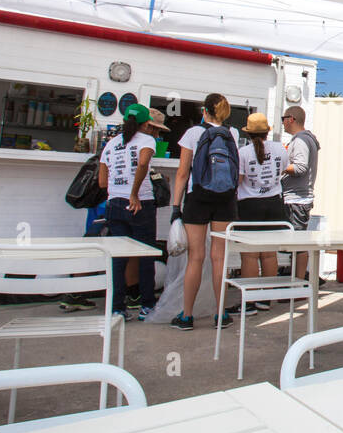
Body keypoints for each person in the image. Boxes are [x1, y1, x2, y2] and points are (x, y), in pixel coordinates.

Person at [171, 93, 240, 331]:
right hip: (225, 198)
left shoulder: (192, 134)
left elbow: (182, 173)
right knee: (219, 258)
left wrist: (175, 206)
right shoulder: (233, 134)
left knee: (196, 257)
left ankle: (187, 316)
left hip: (197, 197)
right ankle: (221, 315)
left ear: (204, 111)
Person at [98, 104, 168, 320]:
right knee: (145, 255)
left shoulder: (111, 143)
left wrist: (121, 188)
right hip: (141, 204)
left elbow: (102, 181)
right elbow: (143, 163)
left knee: (118, 258)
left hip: (114, 204)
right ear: (147, 123)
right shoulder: (147, 140)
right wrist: (134, 193)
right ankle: (147, 304)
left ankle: (117, 308)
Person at [236, 111, 289, 310]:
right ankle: (265, 298)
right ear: (267, 132)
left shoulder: (243, 152)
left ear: (248, 133)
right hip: (274, 202)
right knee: (269, 254)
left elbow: (239, 180)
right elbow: (283, 169)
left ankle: (248, 301)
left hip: (249, 204)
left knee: (249, 255)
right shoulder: (279, 149)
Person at [280, 105, 319, 281]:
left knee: (298, 243)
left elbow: (301, 167)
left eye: (283, 119)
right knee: (296, 242)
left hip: (297, 198)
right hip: (298, 197)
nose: (282, 123)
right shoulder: (304, 139)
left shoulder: (301, 140)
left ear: (291, 119)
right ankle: (296, 281)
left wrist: (279, 166)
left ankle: (298, 283)